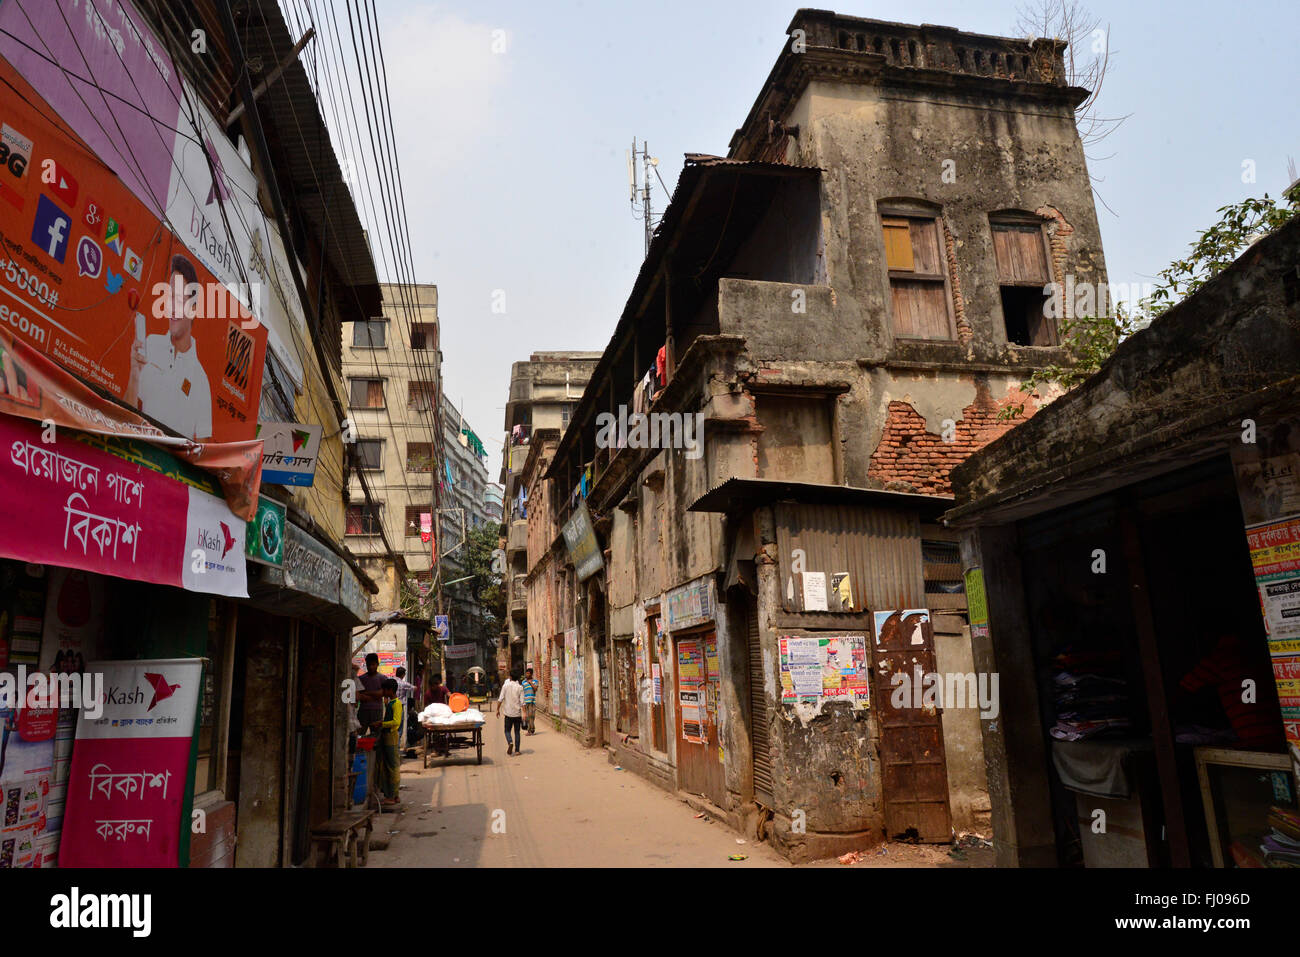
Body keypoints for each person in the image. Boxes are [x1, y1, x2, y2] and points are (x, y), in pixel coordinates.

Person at [125, 253, 213, 440]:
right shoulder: (151, 345)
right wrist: (134, 375)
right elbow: (126, 419)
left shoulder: (201, 380)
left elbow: (203, 448)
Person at [377, 678, 403, 806]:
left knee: (392, 767)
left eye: (385, 690)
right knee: (389, 766)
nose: (383, 692)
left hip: (391, 737)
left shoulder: (396, 704)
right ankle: (394, 795)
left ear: (390, 690)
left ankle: (392, 795)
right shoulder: (390, 703)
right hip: (387, 736)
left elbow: (396, 722)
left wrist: (381, 724)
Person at [498, 668, 526, 756]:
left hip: (508, 713)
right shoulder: (520, 687)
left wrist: (497, 710)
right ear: (517, 678)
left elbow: (500, 699)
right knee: (517, 732)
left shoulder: (505, 686)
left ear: (510, 677)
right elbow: (522, 702)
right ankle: (517, 750)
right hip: (517, 714)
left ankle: (510, 742)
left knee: (507, 731)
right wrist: (524, 713)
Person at [356, 653, 384, 735]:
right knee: (360, 734)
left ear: (377, 664)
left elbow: (381, 693)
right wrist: (375, 695)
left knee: (376, 736)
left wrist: (366, 693)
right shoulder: (361, 679)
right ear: (366, 665)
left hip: (377, 711)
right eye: (369, 665)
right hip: (363, 711)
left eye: (373, 664)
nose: (371, 667)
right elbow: (359, 696)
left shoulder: (382, 678)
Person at [394, 666, 416, 747]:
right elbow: (414, 688)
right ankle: (397, 745)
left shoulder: (391, 681)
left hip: (391, 705)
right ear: (403, 675)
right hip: (400, 705)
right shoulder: (403, 683)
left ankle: (392, 744)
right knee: (399, 725)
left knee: (393, 725)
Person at [521, 667, 539, 734]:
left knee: (532, 716)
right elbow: (522, 692)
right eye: (526, 673)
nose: (527, 674)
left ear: (531, 674)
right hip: (525, 701)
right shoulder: (523, 682)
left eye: (528, 673)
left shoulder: (535, 681)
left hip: (532, 701)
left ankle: (531, 729)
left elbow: (535, 689)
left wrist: (531, 683)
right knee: (527, 717)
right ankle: (531, 730)